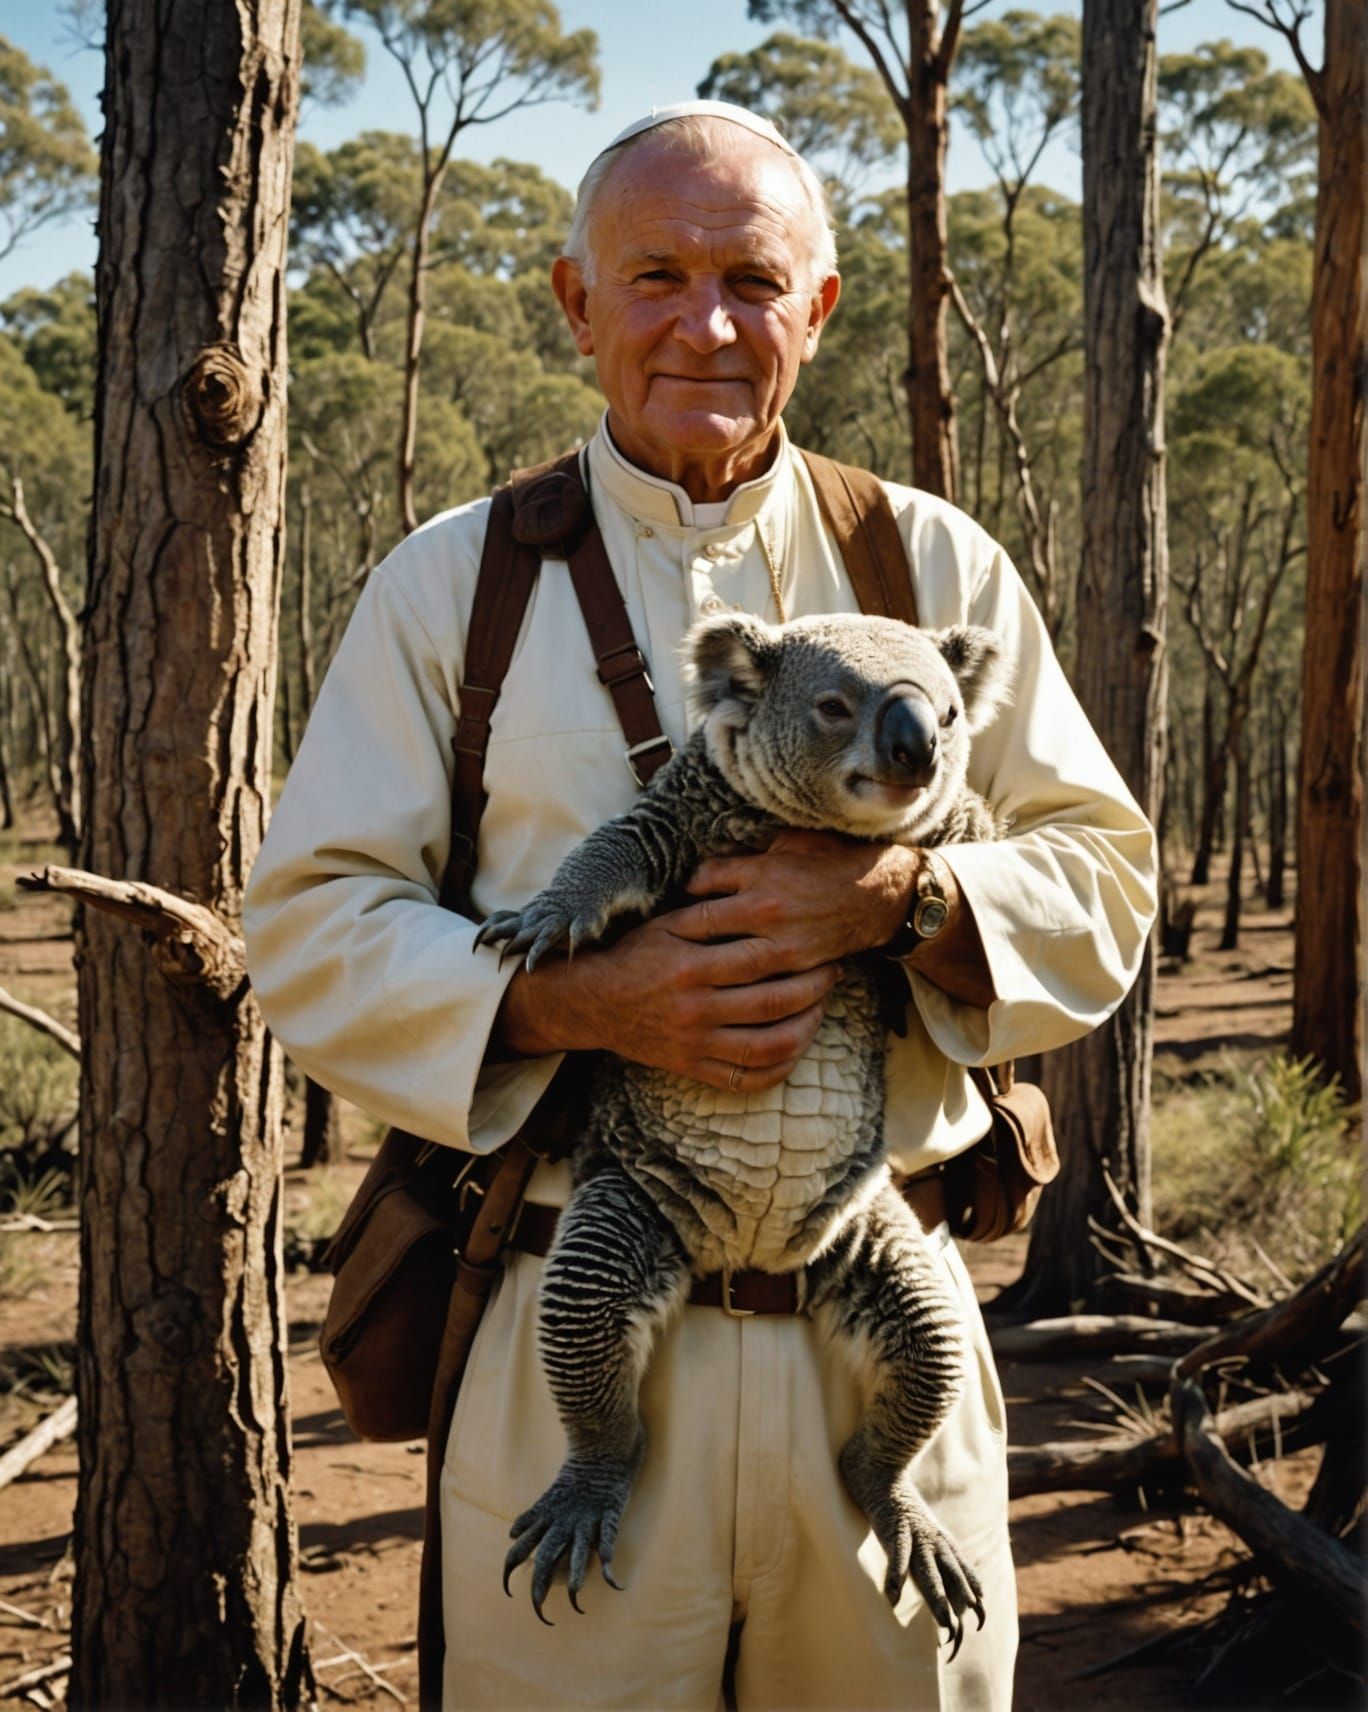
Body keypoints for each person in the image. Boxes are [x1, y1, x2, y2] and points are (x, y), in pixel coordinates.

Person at [245, 100, 1156, 1712]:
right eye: (654, 274)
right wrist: (560, 1003)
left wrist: (903, 901)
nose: (706, 322)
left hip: (883, 1323)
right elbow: (311, 921)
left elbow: (1103, 879)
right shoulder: (451, 589)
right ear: (573, 302)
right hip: (571, 1312)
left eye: (751, 277)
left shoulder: (934, 570)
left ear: (817, 307)